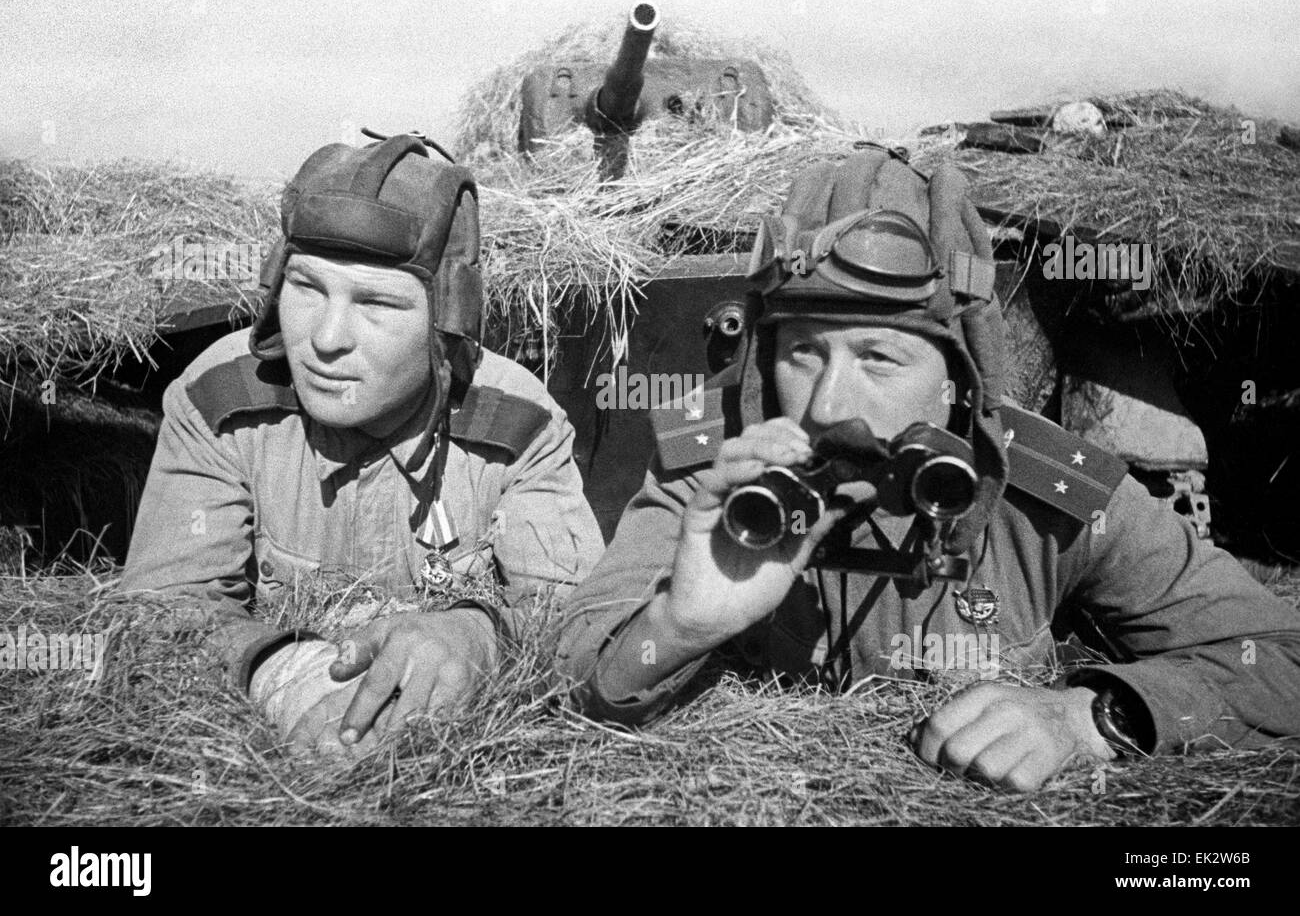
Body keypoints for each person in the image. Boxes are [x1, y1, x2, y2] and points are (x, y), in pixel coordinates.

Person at [556, 147, 1300, 792]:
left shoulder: (1046, 491)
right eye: (803, 351)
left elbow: (1280, 656)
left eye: (879, 357)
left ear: (957, 380)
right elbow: (574, 671)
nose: (827, 403)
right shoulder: (717, 468)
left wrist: (1095, 715)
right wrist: (677, 625)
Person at [121, 133, 604, 754]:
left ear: (444, 323)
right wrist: (288, 676)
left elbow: (574, 618)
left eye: (375, 303)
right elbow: (162, 608)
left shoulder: (517, 424)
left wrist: (475, 638)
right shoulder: (219, 401)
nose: (325, 338)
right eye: (306, 288)